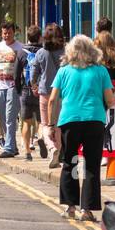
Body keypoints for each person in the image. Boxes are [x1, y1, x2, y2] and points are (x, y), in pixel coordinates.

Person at [50, 34, 115, 221]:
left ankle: (70, 207)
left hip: (69, 120)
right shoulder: (101, 71)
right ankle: (86, 209)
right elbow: (110, 100)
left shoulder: (64, 71)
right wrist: (103, 104)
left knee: (69, 162)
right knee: (91, 165)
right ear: (92, 51)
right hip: (94, 120)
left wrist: (51, 125)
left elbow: (53, 99)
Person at [31, 23, 66, 164]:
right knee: (59, 124)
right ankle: (57, 151)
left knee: (46, 124)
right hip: (63, 92)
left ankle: (52, 148)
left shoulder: (41, 53)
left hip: (45, 92)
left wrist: (34, 84)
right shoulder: (66, 52)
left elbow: (33, 73)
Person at [0, 21, 27, 158]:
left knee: (10, 117)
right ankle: (12, 145)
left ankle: (9, 148)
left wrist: (20, 83)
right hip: (0, 86)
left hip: (14, 86)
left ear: (14, 32)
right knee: (3, 117)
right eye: (4, 33)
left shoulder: (21, 47)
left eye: (9, 33)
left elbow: (25, 68)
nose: (6, 35)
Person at [18, 26, 43, 160]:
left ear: (28, 37)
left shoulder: (21, 53)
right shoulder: (44, 52)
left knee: (26, 122)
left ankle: (27, 151)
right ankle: (41, 138)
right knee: (41, 122)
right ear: (40, 38)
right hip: (40, 90)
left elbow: (16, 74)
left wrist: (18, 90)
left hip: (25, 91)